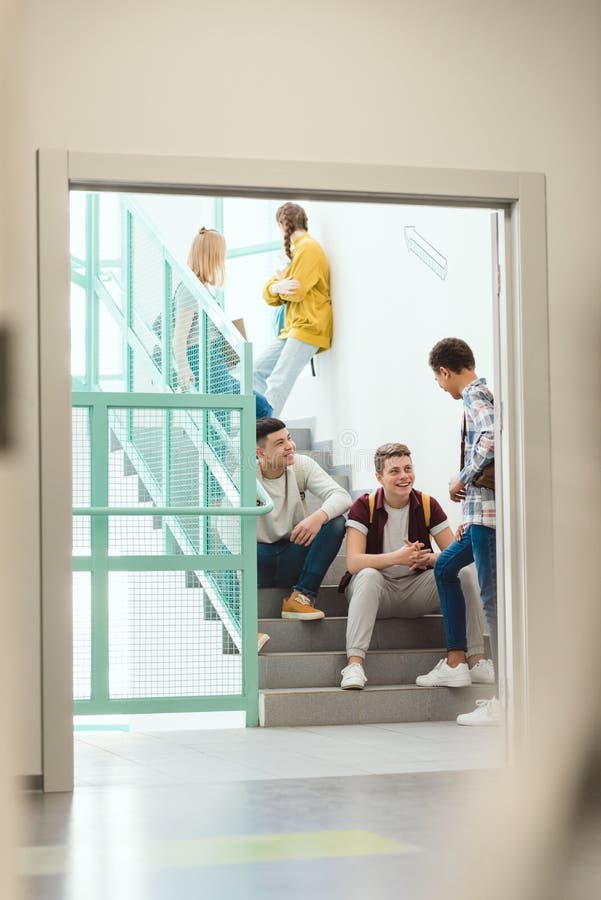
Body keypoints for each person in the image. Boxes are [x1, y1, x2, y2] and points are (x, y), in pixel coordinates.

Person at [338, 443, 493, 690]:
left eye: (408, 469)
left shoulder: (427, 504)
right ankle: (354, 665)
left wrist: (427, 559)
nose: (404, 476)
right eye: (394, 471)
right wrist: (397, 557)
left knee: (463, 574)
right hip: (377, 592)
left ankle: (475, 661)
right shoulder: (363, 506)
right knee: (367, 575)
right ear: (379, 477)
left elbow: (453, 555)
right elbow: (353, 562)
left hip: (416, 591)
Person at [416, 337, 499, 726]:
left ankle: (505, 698)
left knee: (492, 602)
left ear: (445, 371)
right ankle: (457, 661)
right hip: (479, 518)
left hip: (487, 520)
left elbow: (491, 435)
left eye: (437, 379)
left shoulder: (474, 396)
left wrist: (460, 478)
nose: (440, 385)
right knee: (446, 567)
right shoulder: (484, 392)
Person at [256, 417, 350, 620]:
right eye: (280, 443)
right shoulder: (245, 476)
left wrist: (318, 517)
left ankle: (301, 598)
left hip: (293, 554)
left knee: (336, 523)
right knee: (224, 552)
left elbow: (342, 496)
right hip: (257, 560)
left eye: (289, 438)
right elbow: (227, 530)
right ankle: (243, 624)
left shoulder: (301, 465)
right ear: (260, 453)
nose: (290, 446)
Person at [172, 227, 272, 417]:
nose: (223, 260)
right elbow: (180, 335)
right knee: (222, 418)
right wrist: (184, 369)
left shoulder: (201, 288)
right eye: (221, 254)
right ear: (213, 256)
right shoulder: (190, 289)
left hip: (214, 358)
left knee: (262, 407)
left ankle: (251, 439)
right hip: (204, 360)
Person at [254, 203, 332, 417]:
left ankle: (264, 431)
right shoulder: (295, 253)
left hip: (308, 326)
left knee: (278, 382)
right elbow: (268, 294)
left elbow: (296, 291)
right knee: (255, 370)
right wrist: (278, 287)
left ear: (282, 225)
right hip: (292, 328)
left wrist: (279, 287)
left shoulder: (308, 248)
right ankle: (259, 422)